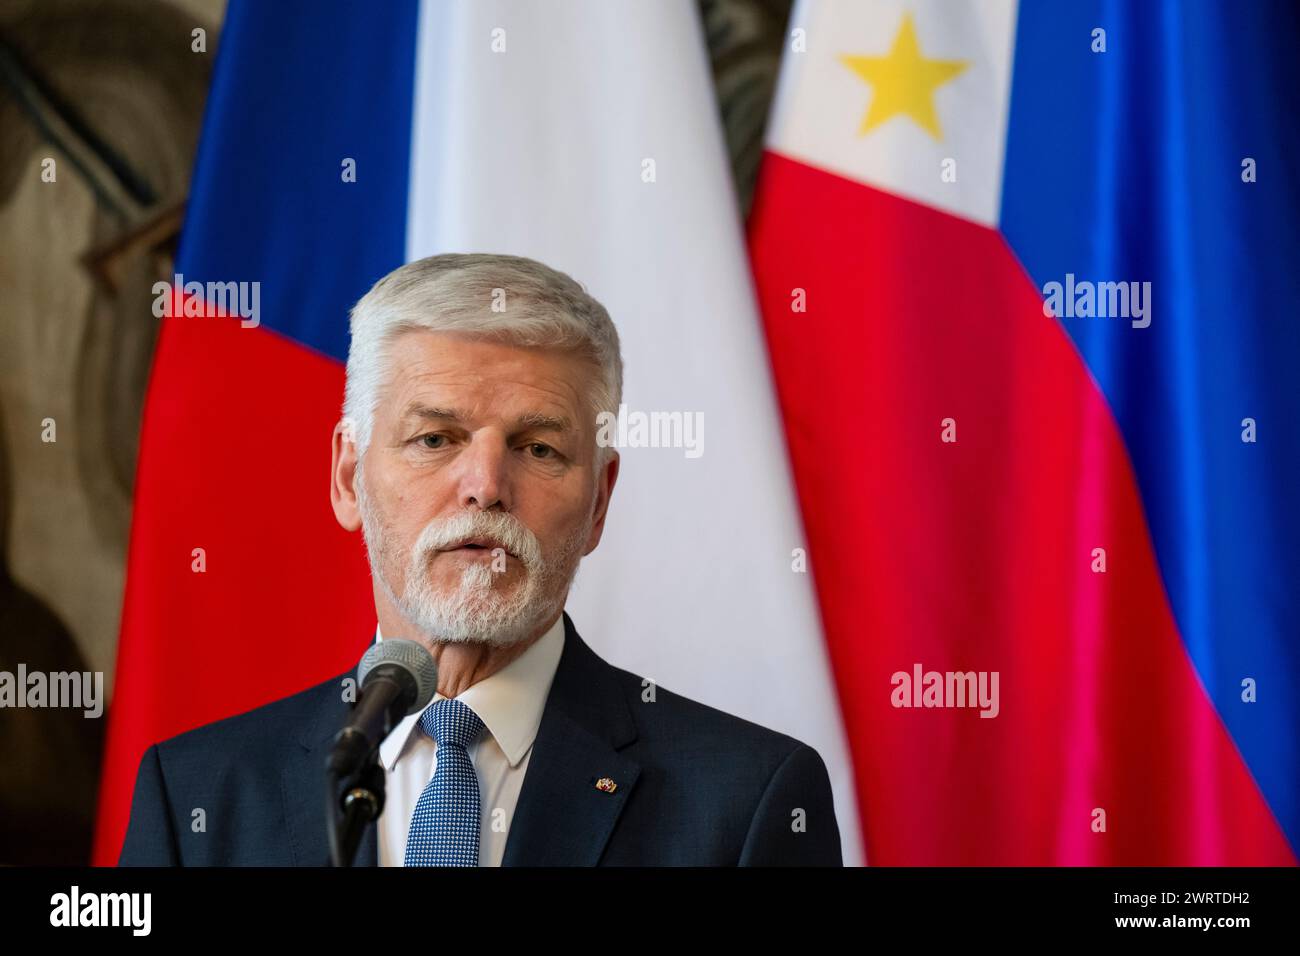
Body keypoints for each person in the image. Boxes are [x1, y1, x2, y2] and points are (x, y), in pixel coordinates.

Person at [119, 253, 842, 866]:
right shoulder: (196, 798)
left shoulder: (746, 803)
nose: (487, 487)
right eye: (436, 438)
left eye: (539, 449)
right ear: (348, 478)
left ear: (598, 503)